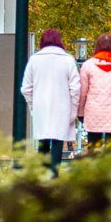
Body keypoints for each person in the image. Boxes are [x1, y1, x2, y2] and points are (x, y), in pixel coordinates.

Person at [19, 28, 78, 167]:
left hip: (41, 106)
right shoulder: (68, 60)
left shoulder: (34, 60)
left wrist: (33, 105)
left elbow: (26, 88)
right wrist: (73, 109)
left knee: (43, 141)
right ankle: (54, 173)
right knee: (58, 141)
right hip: (62, 107)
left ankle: (42, 173)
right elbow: (75, 88)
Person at [76, 33, 111, 151]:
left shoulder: (87, 66)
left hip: (93, 112)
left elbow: (82, 92)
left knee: (93, 148)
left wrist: (80, 112)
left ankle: (93, 168)